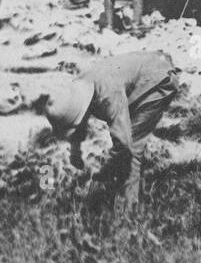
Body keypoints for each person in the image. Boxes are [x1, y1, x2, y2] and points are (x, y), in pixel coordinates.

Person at [37, 51, 179, 214]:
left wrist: (102, 174)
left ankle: (128, 214)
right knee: (126, 142)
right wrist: (75, 151)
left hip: (158, 80)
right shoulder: (78, 87)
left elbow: (124, 145)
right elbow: (77, 117)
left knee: (133, 151)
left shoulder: (107, 96)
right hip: (143, 74)